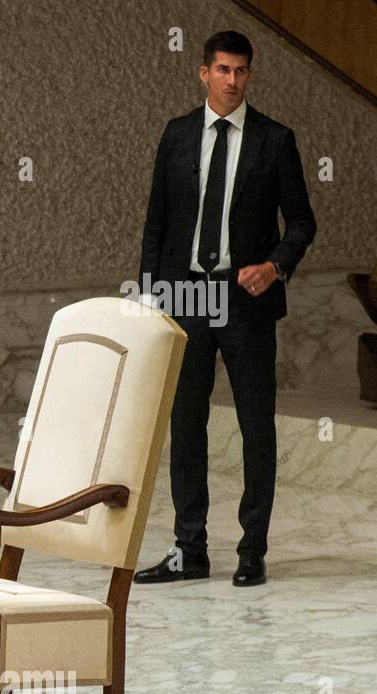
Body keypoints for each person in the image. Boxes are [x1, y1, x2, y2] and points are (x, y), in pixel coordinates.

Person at [134, 30, 315, 588]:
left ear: (249, 76)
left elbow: (302, 221)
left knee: (255, 424)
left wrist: (276, 265)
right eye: (223, 70)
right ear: (203, 73)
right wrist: (149, 300)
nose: (232, 80)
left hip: (245, 300)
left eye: (241, 71)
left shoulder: (274, 140)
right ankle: (190, 550)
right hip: (186, 296)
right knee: (186, 424)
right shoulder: (177, 135)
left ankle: (252, 550)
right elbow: (156, 223)